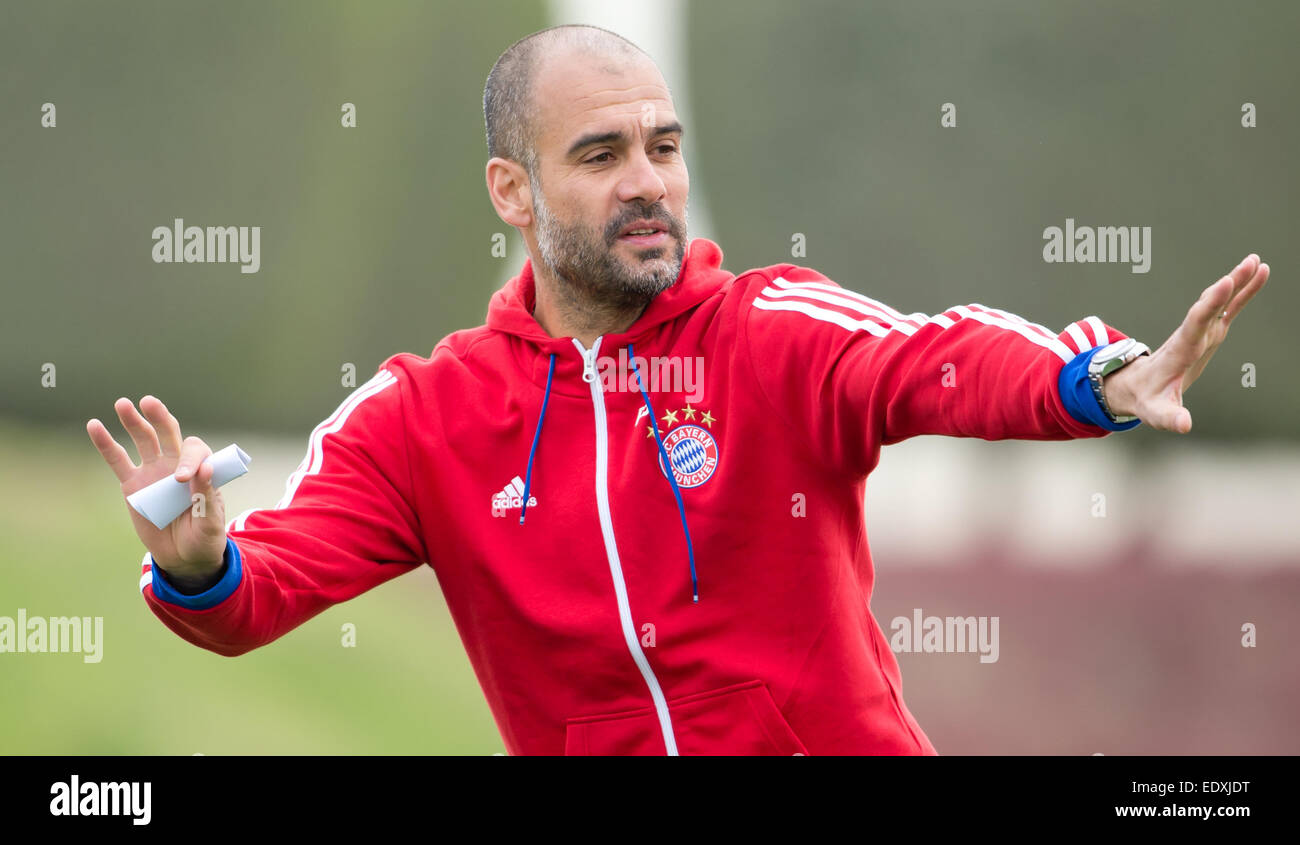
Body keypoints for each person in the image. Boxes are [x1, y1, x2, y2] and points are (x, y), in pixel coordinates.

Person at [87, 24, 1269, 755]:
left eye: (662, 144)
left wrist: (1098, 377)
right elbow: (256, 596)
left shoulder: (772, 331)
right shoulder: (421, 417)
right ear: (513, 190)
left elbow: (932, 356)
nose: (648, 181)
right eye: (600, 156)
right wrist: (194, 560)